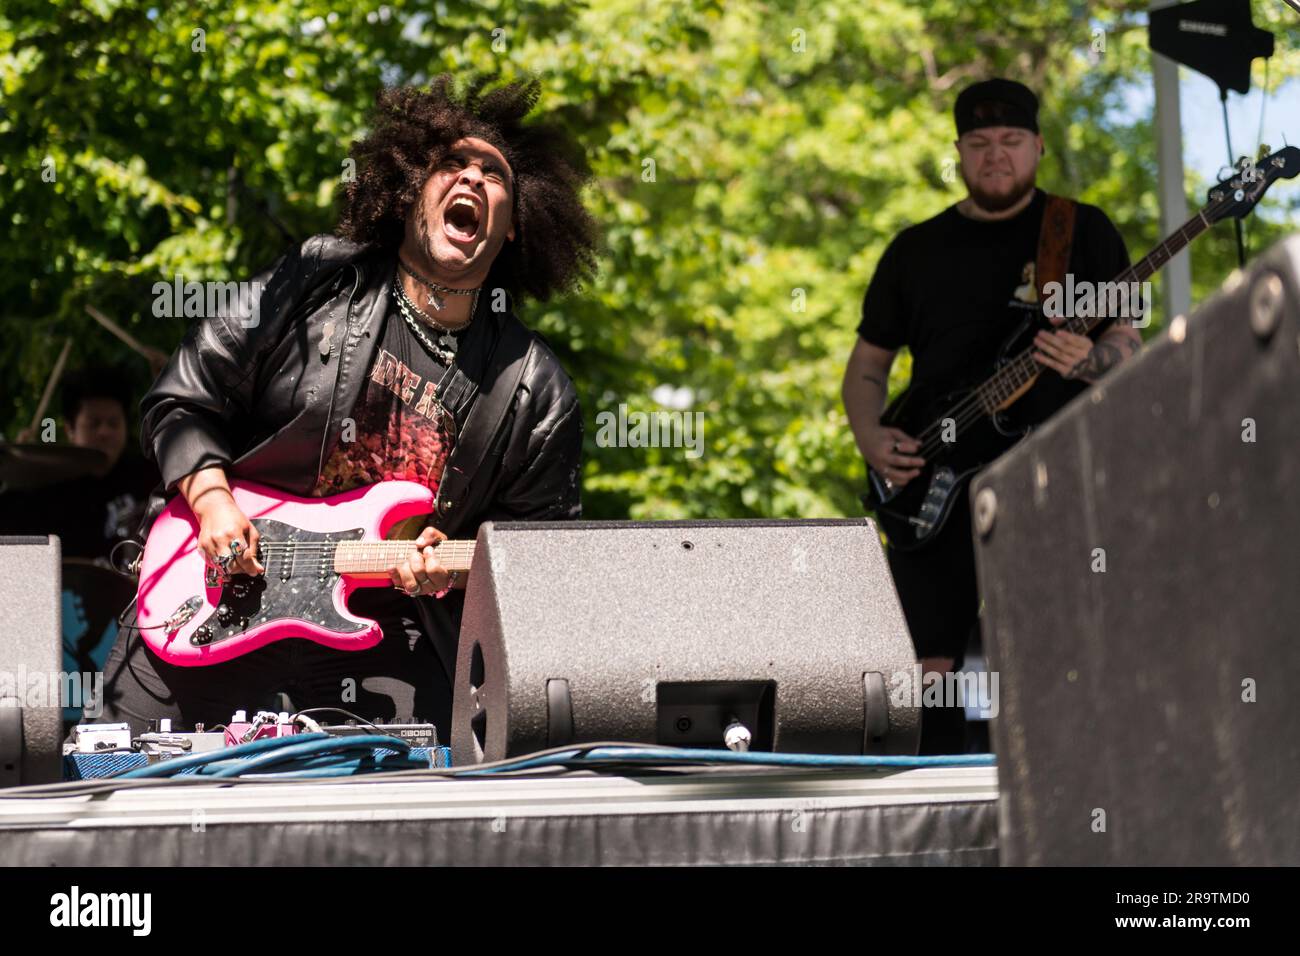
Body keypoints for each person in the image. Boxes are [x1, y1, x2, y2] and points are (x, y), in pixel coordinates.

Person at [91, 76, 598, 738]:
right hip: (211, 598)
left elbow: (537, 567)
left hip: (388, 645)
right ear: (410, 191)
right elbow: (184, 395)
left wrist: (453, 572)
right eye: (451, 163)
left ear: (511, 228)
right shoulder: (319, 281)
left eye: (493, 173)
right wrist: (213, 501)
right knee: (123, 798)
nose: (472, 177)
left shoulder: (535, 390)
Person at [842, 78, 1142, 753]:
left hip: (1050, 479)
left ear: (1038, 146)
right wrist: (869, 435)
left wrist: (1087, 361)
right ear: (959, 152)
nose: (995, 155)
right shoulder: (913, 250)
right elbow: (867, 367)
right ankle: (934, 823)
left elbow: (1125, 344)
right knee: (928, 669)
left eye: (1010, 141)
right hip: (930, 482)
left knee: (1050, 654)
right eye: (979, 143)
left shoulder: (1080, 230)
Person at [0, 368, 159, 561]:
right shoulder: (47, 490)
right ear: (70, 429)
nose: (104, 432)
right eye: (94, 423)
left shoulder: (149, 474)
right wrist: (20, 470)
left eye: (113, 423)